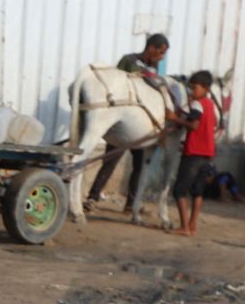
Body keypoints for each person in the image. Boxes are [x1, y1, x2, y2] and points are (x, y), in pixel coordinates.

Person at [90, 32, 170, 211]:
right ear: (151, 48)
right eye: (160, 52)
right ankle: (93, 197)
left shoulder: (154, 69)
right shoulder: (129, 61)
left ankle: (131, 203)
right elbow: (117, 83)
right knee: (110, 161)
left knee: (139, 165)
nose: (162, 57)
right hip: (124, 122)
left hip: (142, 125)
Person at [175, 70, 225, 237]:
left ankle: (184, 227)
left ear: (206, 88)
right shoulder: (210, 105)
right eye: (191, 88)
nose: (192, 91)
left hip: (194, 151)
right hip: (207, 152)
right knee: (198, 191)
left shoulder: (197, 104)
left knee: (179, 190)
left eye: (194, 87)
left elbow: (194, 125)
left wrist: (174, 119)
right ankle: (192, 225)